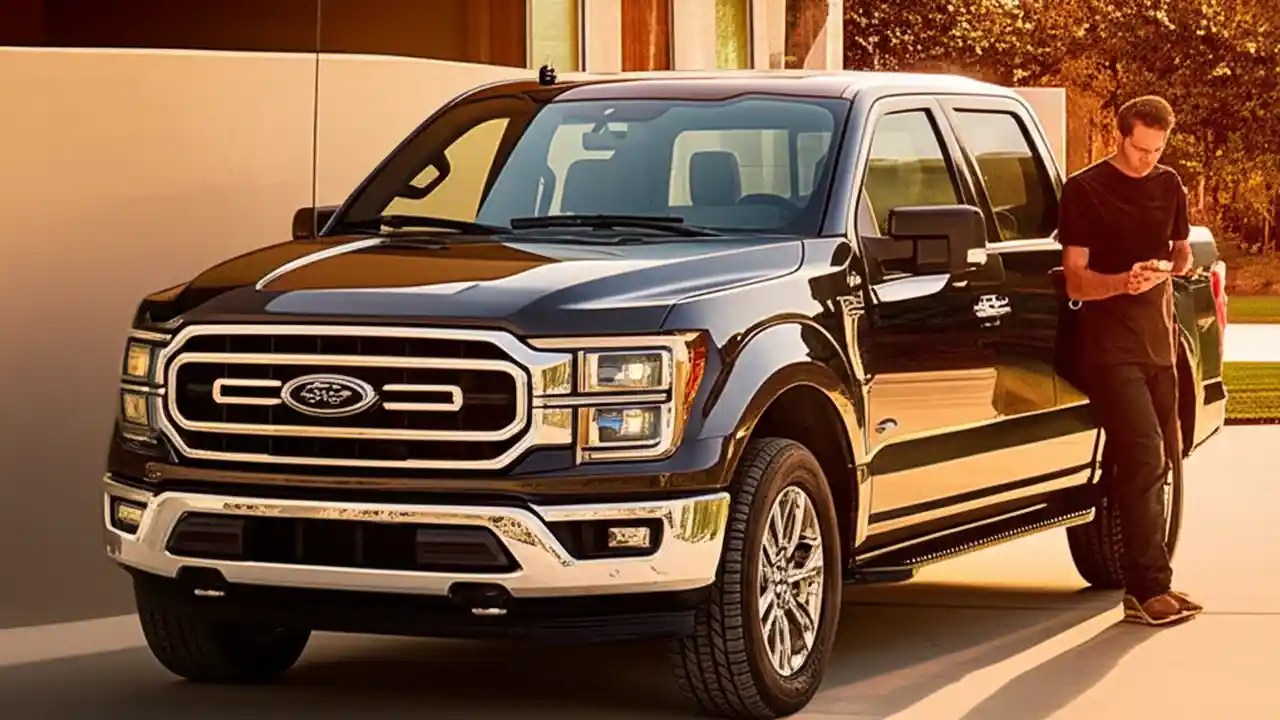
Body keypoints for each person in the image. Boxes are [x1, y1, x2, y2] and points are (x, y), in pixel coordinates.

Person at [1057, 95, 1204, 625]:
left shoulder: (1168, 185)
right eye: (1140, 149)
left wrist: (1168, 267)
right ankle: (1145, 590)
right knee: (1143, 458)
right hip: (1107, 347)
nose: (1148, 159)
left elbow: (1183, 249)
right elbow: (1075, 275)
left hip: (1158, 343)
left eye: (1157, 149)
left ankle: (1154, 578)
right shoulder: (1086, 189)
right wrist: (1123, 282)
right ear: (1121, 137)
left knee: (1164, 458)